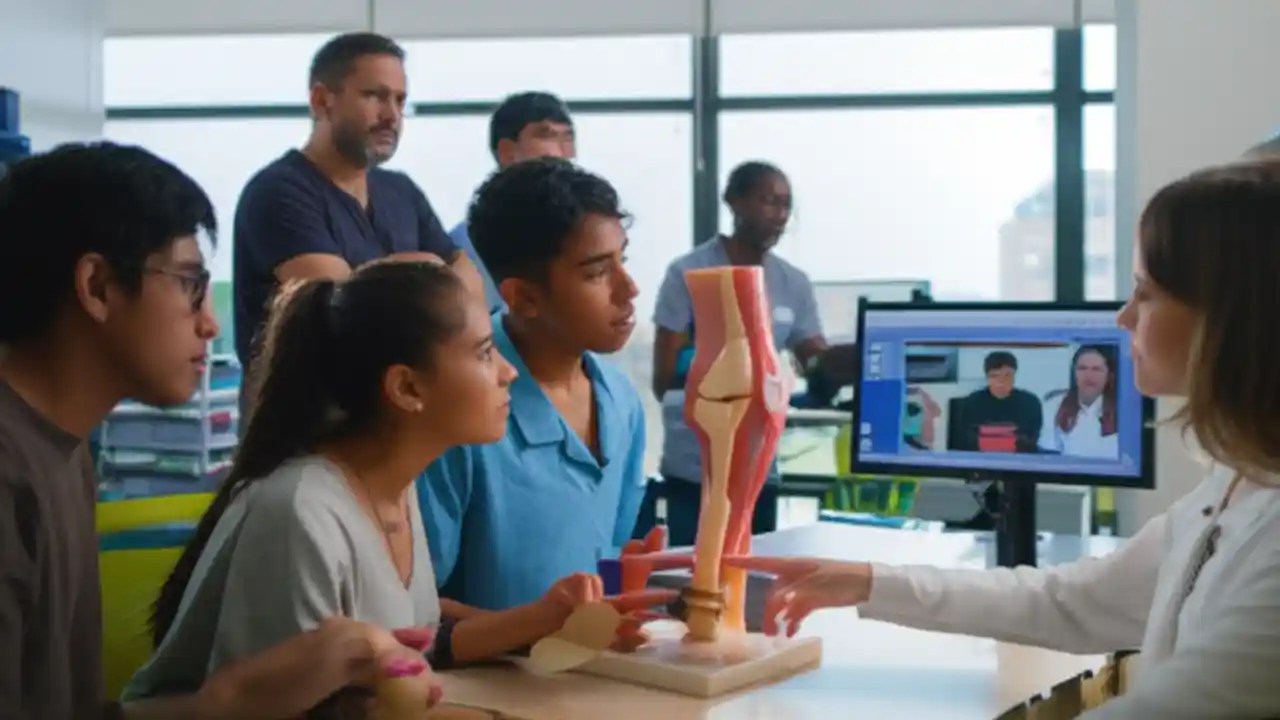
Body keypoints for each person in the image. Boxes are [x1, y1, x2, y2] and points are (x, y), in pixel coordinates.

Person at [728, 160, 1280, 719]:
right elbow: (1069, 601)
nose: (1123, 318)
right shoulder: (1233, 485)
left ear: (1232, 317)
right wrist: (867, 581)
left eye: (1146, 293)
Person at [0, 141, 438, 719]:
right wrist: (227, 701)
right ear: (98, 286)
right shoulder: (11, 471)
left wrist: (237, 700)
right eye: (189, 284)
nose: (210, 324)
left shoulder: (63, 450)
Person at [128, 259, 671, 707]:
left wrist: (546, 620)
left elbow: (412, 644)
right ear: (407, 389)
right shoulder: (300, 510)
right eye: (484, 353)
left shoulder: (395, 487)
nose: (508, 372)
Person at [416, 157, 648, 613]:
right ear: (523, 297)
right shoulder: (456, 409)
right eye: (596, 273)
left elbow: (612, 559)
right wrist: (530, 631)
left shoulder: (621, 402)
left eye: (623, 260)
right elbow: (416, 606)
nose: (630, 288)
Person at [232, 32, 484, 382]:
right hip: (312, 410)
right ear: (322, 100)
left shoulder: (401, 192)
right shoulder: (279, 192)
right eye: (374, 96)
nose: (391, 115)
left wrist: (418, 280)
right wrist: (428, 272)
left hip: (397, 403)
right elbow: (346, 311)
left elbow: (469, 285)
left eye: (399, 100)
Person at [641, 160, 827, 546]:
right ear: (734, 201)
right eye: (769, 201)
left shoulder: (793, 283)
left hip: (759, 466)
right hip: (693, 468)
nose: (779, 214)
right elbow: (664, 379)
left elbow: (814, 358)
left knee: (753, 568)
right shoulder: (688, 273)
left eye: (786, 204)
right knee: (691, 568)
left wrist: (860, 359)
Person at [450, 91, 576, 313]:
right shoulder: (465, 247)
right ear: (507, 151)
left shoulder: (576, 235)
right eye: (547, 135)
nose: (563, 151)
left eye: (568, 137)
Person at [1038, 344, 1119, 458]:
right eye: (1082, 368)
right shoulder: (1054, 404)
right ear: (1074, 373)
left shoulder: (1124, 406)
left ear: (1110, 375)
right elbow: (1049, 454)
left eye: (1096, 369)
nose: (1089, 375)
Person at [953, 351, 1043, 453]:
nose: (1001, 381)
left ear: (1014, 375)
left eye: (1007, 375)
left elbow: (1031, 440)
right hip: (981, 459)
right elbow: (965, 441)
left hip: (1019, 460)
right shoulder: (972, 402)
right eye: (994, 376)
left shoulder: (1030, 403)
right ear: (987, 377)